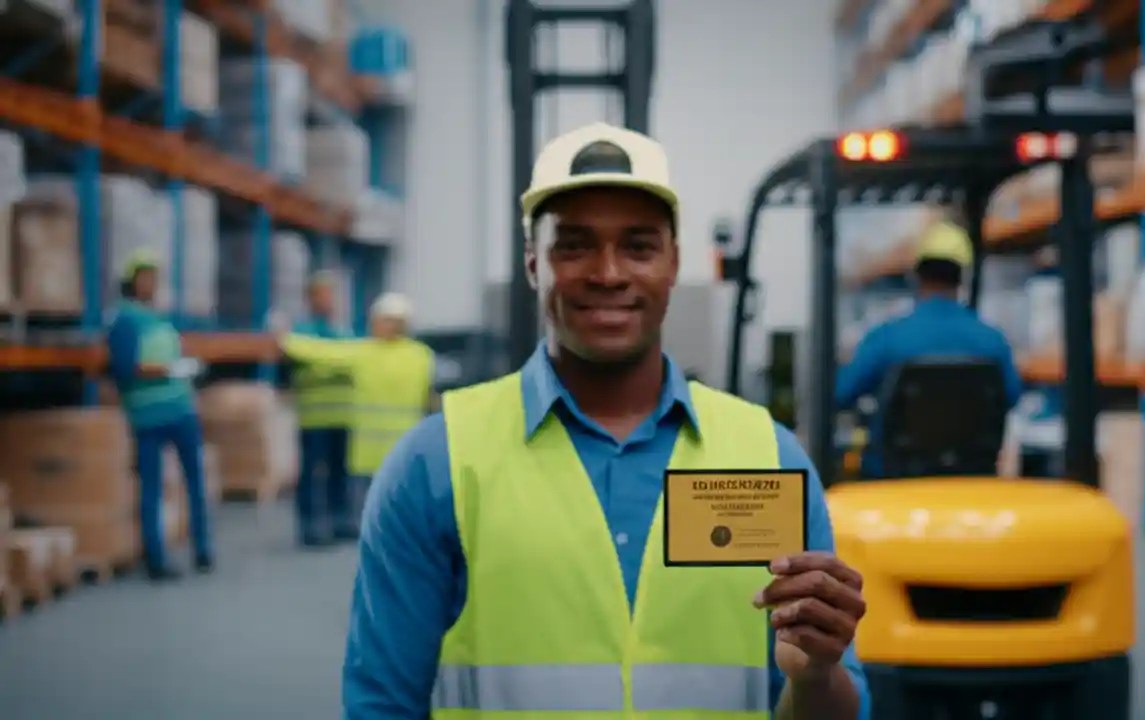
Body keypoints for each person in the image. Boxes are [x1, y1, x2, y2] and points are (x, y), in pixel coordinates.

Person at [342, 122, 871, 719]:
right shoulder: (436, 465)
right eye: (574, 246)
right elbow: (380, 704)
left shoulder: (767, 457)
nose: (609, 273)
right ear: (532, 263)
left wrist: (816, 674)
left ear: (673, 263)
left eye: (639, 246)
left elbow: (832, 709)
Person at [834, 219, 1023, 478]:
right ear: (961, 277)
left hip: (894, 484)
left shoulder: (887, 338)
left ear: (917, 275)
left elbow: (841, 393)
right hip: (969, 482)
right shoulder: (993, 342)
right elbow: (1011, 398)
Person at [278, 292, 434, 530]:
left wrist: (286, 340)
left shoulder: (366, 352)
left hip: (369, 451)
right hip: (406, 446)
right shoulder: (421, 355)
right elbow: (429, 397)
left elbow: (322, 353)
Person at [105, 250, 214, 581]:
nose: (151, 283)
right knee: (151, 488)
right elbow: (124, 369)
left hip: (181, 411)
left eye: (154, 276)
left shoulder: (161, 320)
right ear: (131, 281)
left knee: (195, 482)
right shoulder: (124, 321)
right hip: (148, 417)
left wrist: (186, 369)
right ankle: (156, 559)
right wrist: (170, 369)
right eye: (144, 276)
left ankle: (203, 549)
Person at [288, 271, 355, 547]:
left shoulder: (344, 331)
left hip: (342, 417)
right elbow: (305, 365)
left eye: (329, 295)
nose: (326, 300)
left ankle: (339, 521)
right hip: (313, 419)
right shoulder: (301, 332)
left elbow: (353, 364)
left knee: (340, 471)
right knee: (311, 472)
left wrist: (325, 362)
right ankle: (309, 526)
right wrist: (334, 363)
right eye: (320, 295)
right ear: (309, 298)